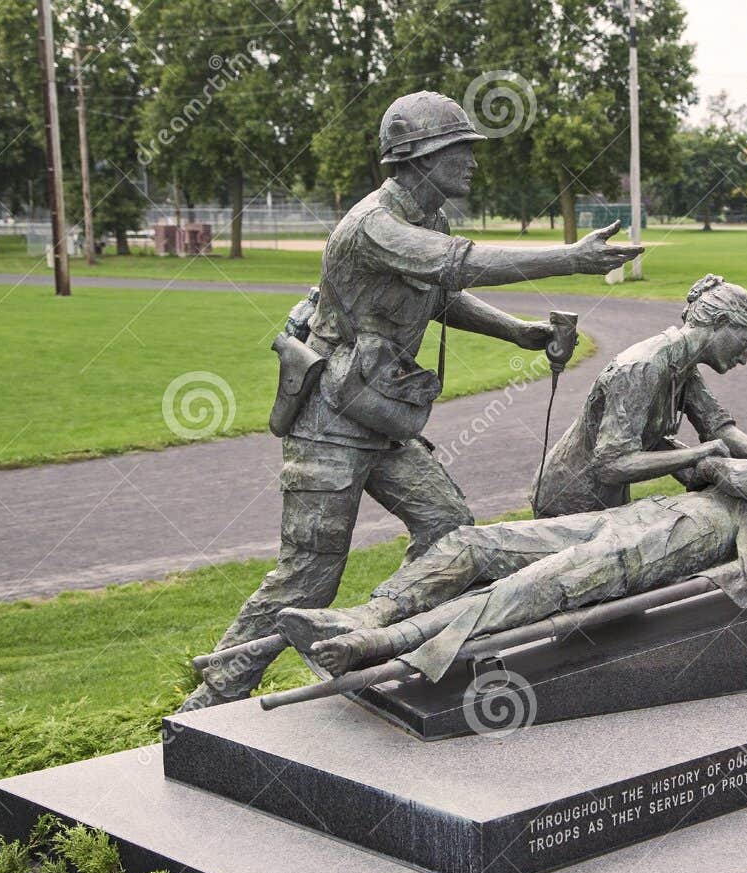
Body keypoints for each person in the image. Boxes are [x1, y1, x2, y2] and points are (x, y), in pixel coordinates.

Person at [183, 91, 642, 710]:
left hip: (381, 415)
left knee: (448, 529)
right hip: (329, 423)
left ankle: (380, 640)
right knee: (309, 576)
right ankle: (212, 698)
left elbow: (441, 294)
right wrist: (572, 258)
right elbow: (460, 265)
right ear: (419, 157)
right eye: (459, 150)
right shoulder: (375, 225)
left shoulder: (429, 220)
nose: (472, 161)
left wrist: (516, 332)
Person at [278, 415, 747, 681]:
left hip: (687, 537)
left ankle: (380, 645)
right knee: (476, 543)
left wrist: (715, 452)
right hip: (659, 516)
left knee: (538, 585)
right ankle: (367, 614)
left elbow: (739, 477)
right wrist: (709, 456)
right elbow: (718, 473)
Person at [528, 274, 747, 518]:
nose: (744, 358)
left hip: (605, 499)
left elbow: (717, 428)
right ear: (721, 322)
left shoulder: (683, 365)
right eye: (745, 344)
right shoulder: (642, 368)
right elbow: (611, 465)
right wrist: (698, 454)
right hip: (569, 500)